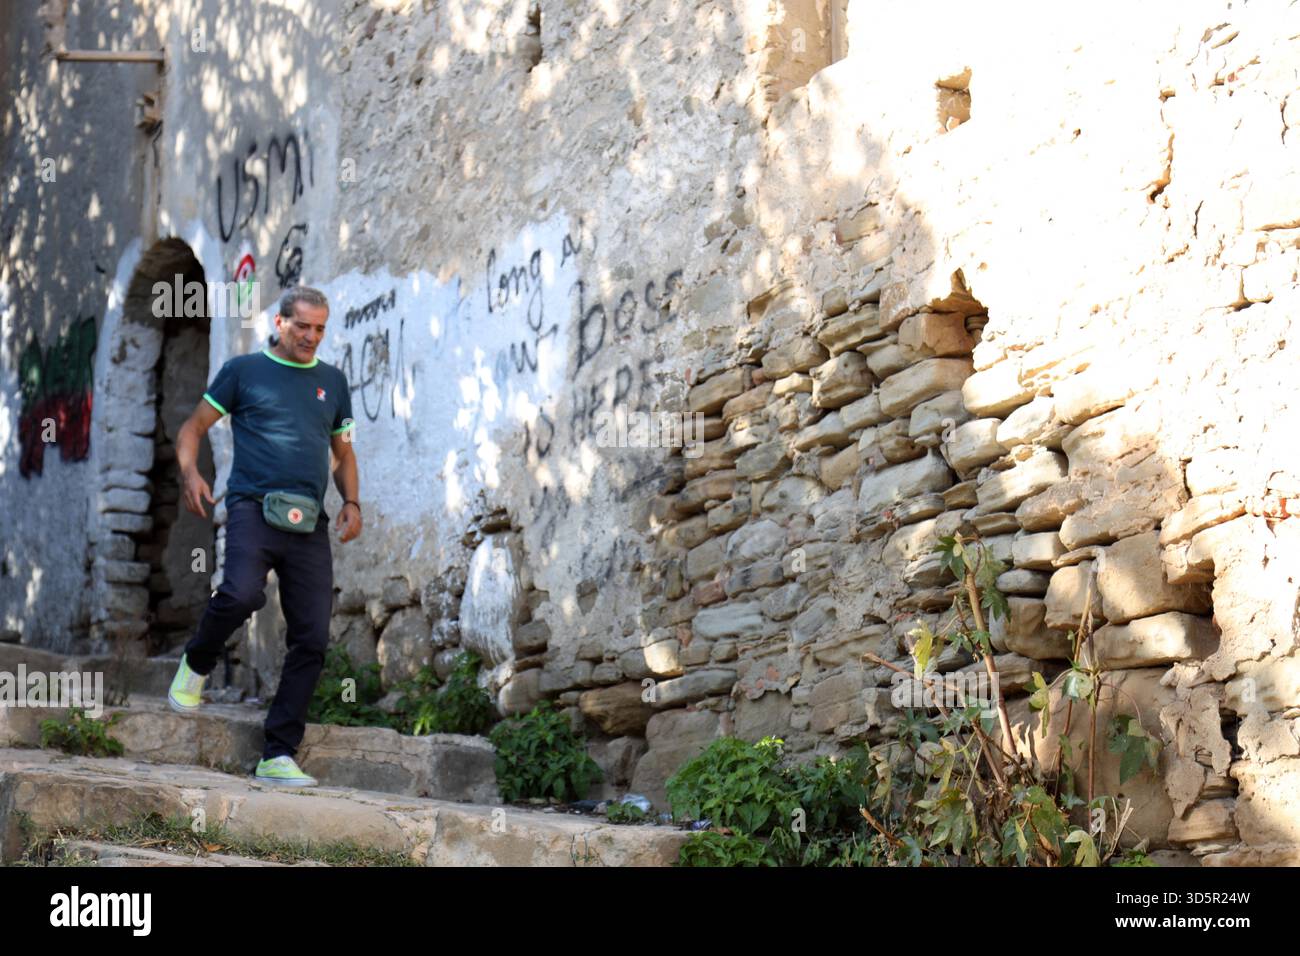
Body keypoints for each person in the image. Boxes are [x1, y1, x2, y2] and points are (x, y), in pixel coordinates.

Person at [169, 285, 362, 787]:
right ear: (280, 323)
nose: (312, 336)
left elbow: (343, 453)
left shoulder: (333, 382)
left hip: (309, 520)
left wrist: (353, 503)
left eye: (320, 328)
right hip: (253, 506)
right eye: (303, 326)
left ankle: (278, 753)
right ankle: (196, 661)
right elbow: (193, 427)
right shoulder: (243, 372)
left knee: (313, 638)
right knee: (239, 593)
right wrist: (191, 473)